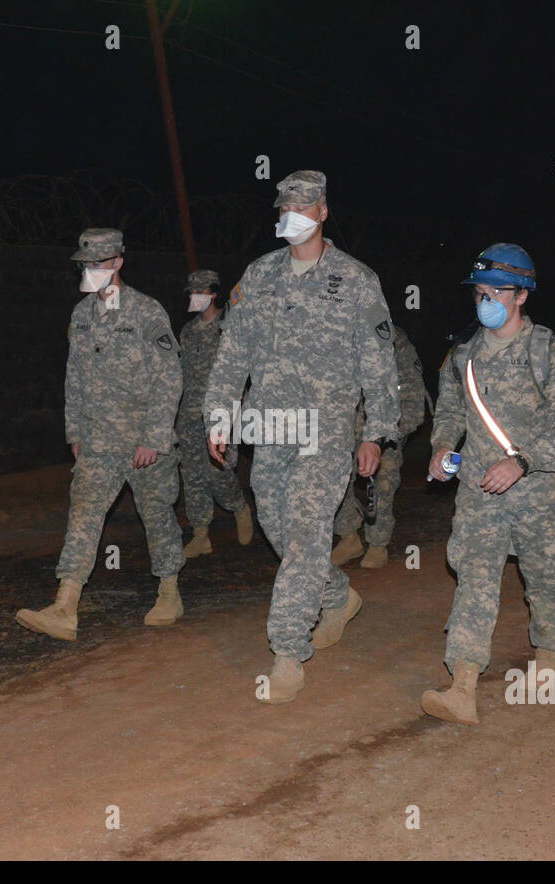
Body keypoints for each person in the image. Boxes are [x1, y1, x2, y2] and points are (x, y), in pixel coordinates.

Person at [203, 170, 399, 704]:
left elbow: (378, 364)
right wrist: (219, 416)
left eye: (302, 207)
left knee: (309, 528)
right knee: (281, 529)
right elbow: (232, 356)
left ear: (322, 212)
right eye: (283, 207)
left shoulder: (356, 280)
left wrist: (377, 433)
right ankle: (337, 596)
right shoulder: (259, 275)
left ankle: (288, 653)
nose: (290, 216)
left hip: (328, 429)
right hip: (269, 426)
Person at [422, 243, 555, 724]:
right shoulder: (464, 353)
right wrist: (440, 449)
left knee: (545, 578)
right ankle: (463, 684)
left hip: (540, 489)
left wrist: (522, 461)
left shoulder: (550, 352)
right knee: (474, 577)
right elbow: (451, 410)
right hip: (479, 487)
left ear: (522, 296)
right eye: (480, 292)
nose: (485, 301)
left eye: (496, 292)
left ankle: (551, 651)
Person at [15, 227, 185, 640]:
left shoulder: (147, 312)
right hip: (98, 442)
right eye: (85, 264)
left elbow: (169, 379)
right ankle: (65, 605)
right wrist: (74, 431)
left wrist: (154, 437)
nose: (89, 270)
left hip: (143, 441)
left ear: (117, 264)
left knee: (157, 515)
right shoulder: (81, 315)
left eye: (97, 263)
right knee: (84, 515)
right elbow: (73, 377)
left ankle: (169, 590)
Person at [331, 323, 427, 569]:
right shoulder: (336, 328)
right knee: (336, 484)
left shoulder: (392, 336)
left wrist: (395, 430)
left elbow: (411, 385)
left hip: (383, 427)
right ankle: (348, 536)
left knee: (382, 485)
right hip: (341, 427)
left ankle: (377, 543)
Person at [177, 269, 254, 558]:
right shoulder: (187, 332)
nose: (192, 298)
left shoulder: (230, 326)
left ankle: (239, 507)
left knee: (218, 471)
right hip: (189, 414)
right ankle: (200, 534)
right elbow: (182, 374)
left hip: (222, 413)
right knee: (193, 474)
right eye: (189, 293)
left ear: (212, 293)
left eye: (197, 292)